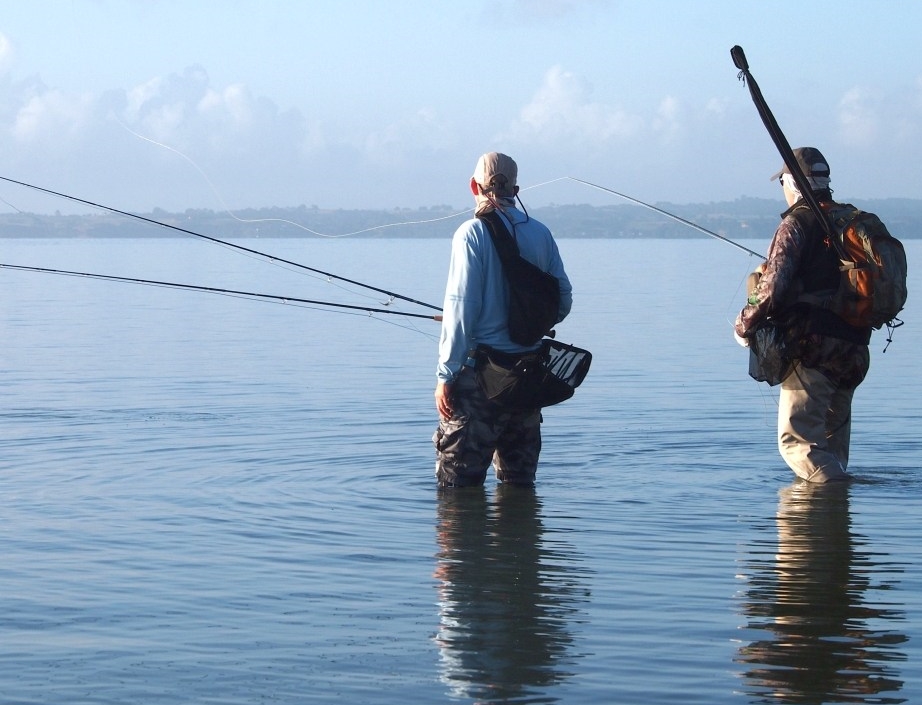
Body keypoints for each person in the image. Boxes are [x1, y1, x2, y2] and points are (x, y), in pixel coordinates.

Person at [433, 152, 573, 488]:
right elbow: (563, 302)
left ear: (473, 186)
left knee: (456, 492)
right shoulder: (540, 234)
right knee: (519, 487)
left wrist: (445, 375)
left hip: (478, 379)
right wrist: (528, 321)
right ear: (517, 189)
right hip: (527, 379)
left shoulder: (471, 234)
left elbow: (461, 308)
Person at [734, 147, 871, 483]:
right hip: (853, 350)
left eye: (782, 181)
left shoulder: (797, 223)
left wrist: (743, 326)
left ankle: (828, 506)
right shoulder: (848, 220)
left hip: (813, 350)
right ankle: (832, 529)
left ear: (792, 182)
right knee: (829, 450)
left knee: (797, 444)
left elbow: (771, 290)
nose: (781, 187)